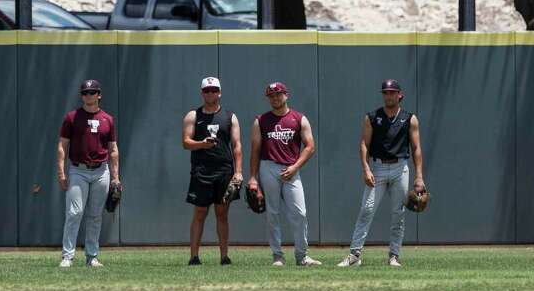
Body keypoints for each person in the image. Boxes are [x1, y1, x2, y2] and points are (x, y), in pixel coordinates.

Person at [337, 78, 425, 268]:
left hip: (400, 168)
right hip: (377, 168)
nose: (388, 95)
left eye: (392, 92)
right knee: (367, 209)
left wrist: (419, 177)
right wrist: (366, 168)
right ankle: (355, 255)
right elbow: (364, 144)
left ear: (400, 95)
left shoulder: (410, 118)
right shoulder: (372, 117)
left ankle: (394, 256)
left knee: (398, 214)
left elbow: (416, 148)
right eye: (385, 92)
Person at [248, 81, 320, 267]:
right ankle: (277, 256)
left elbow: (310, 146)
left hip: (291, 169)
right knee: (272, 213)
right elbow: (255, 150)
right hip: (268, 166)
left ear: (286, 95)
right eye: (271, 95)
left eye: (278, 94)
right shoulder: (261, 120)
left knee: (300, 213)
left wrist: (296, 167)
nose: (275, 98)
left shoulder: (299, 118)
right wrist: (253, 177)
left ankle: (302, 256)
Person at [57, 79, 119, 267]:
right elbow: (62, 146)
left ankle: (92, 256)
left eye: (92, 92)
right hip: (78, 170)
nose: (88, 95)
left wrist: (116, 177)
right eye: (85, 93)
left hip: (101, 171)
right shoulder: (72, 117)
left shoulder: (108, 119)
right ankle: (67, 256)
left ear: (99, 95)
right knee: (74, 212)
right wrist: (61, 172)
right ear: (81, 96)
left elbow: (113, 149)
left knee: (95, 215)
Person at [181, 76, 242, 265]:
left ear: (220, 92)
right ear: (201, 93)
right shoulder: (193, 115)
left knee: (222, 214)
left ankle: (224, 256)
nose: (210, 93)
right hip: (201, 171)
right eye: (207, 90)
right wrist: (202, 144)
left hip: (224, 171)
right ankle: (194, 256)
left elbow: (237, 146)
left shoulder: (230, 116)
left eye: (214, 90)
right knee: (200, 213)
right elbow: (186, 142)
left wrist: (238, 172)